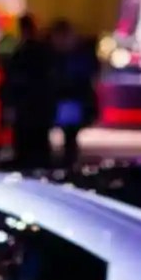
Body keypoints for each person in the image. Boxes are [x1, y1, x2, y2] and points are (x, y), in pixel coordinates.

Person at [5, 13, 55, 170]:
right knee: (39, 139)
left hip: (27, 103)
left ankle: (28, 163)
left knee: (26, 137)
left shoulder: (23, 51)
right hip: (40, 103)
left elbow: (14, 78)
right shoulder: (43, 49)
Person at [50, 19, 99, 169]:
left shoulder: (74, 56)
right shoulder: (64, 56)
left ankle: (68, 161)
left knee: (70, 134)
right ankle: (67, 160)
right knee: (69, 134)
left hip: (72, 99)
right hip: (66, 98)